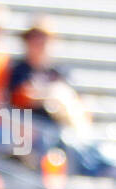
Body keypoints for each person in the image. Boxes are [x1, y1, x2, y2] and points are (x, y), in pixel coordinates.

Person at [8, 20, 112, 176]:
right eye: (34, 38)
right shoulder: (19, 70)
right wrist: (47, 96)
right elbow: (18, 97)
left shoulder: (59, 71)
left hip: (61, 129)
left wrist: (60, 100)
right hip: (32, 129)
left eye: (43, 39)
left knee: (85, 144)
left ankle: (103, 168)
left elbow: (77, 104)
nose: (39, 43)